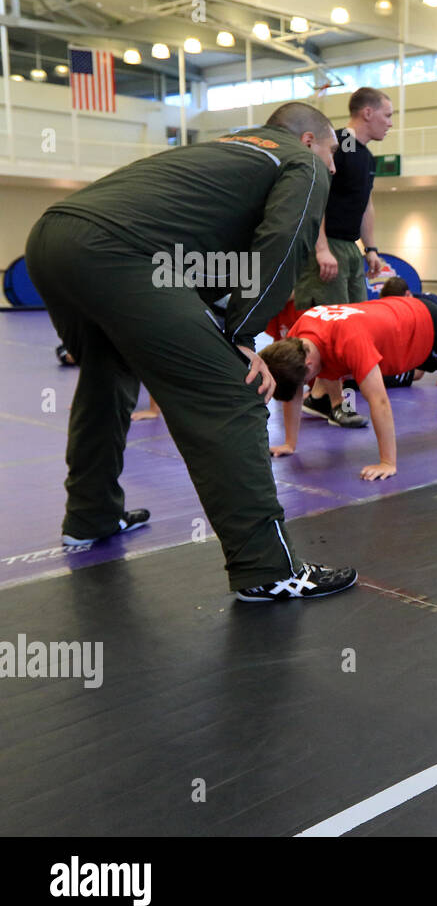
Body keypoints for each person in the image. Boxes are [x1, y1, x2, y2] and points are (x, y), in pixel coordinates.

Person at [27, 101, 356, 601]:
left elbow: (199, 258)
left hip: (52, 238)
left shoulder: (226, 148)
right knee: (234, 391)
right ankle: (267, 569)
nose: (335, 165)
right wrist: (244, 338)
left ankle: (90, 517)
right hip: (120, 253)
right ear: (309, 140)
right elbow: (285, 239)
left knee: (107, 375)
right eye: (333, 151)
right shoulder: (302, 161)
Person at [260, 297, 437, 481]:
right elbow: (294, 391)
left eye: (306, 379)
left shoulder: (349, 342)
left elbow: (380, 402)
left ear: (309, 361)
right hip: (396, 318)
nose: (307, 387)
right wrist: (290, 443)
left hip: (423, 327)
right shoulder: (297, 338)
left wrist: (387, 461)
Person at [293, 87, 393, 429]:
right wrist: (321, 247)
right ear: (367, 113)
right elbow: (317, 195)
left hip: (349, 247)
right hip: (328, 244)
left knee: (357, 326)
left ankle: (320, 396)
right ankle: (337, 403)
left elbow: (365, 203)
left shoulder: (364, 154)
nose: (390, 124)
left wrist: (372, 248)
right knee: (333, 328)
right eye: (387, 115)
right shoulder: (340, 145)